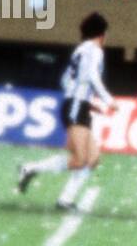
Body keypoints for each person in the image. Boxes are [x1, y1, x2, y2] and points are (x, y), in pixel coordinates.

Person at [17, 12, 117, 210]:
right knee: (81, 159)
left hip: (77, 105)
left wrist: (85, 101)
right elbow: (92, 77)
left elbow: (65, 80)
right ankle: (30, 169)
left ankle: (65, 200)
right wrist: (108, 100)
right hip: (76, 106)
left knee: (92, 158)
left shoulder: (80, 50)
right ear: (102, 33)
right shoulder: (95, 50)